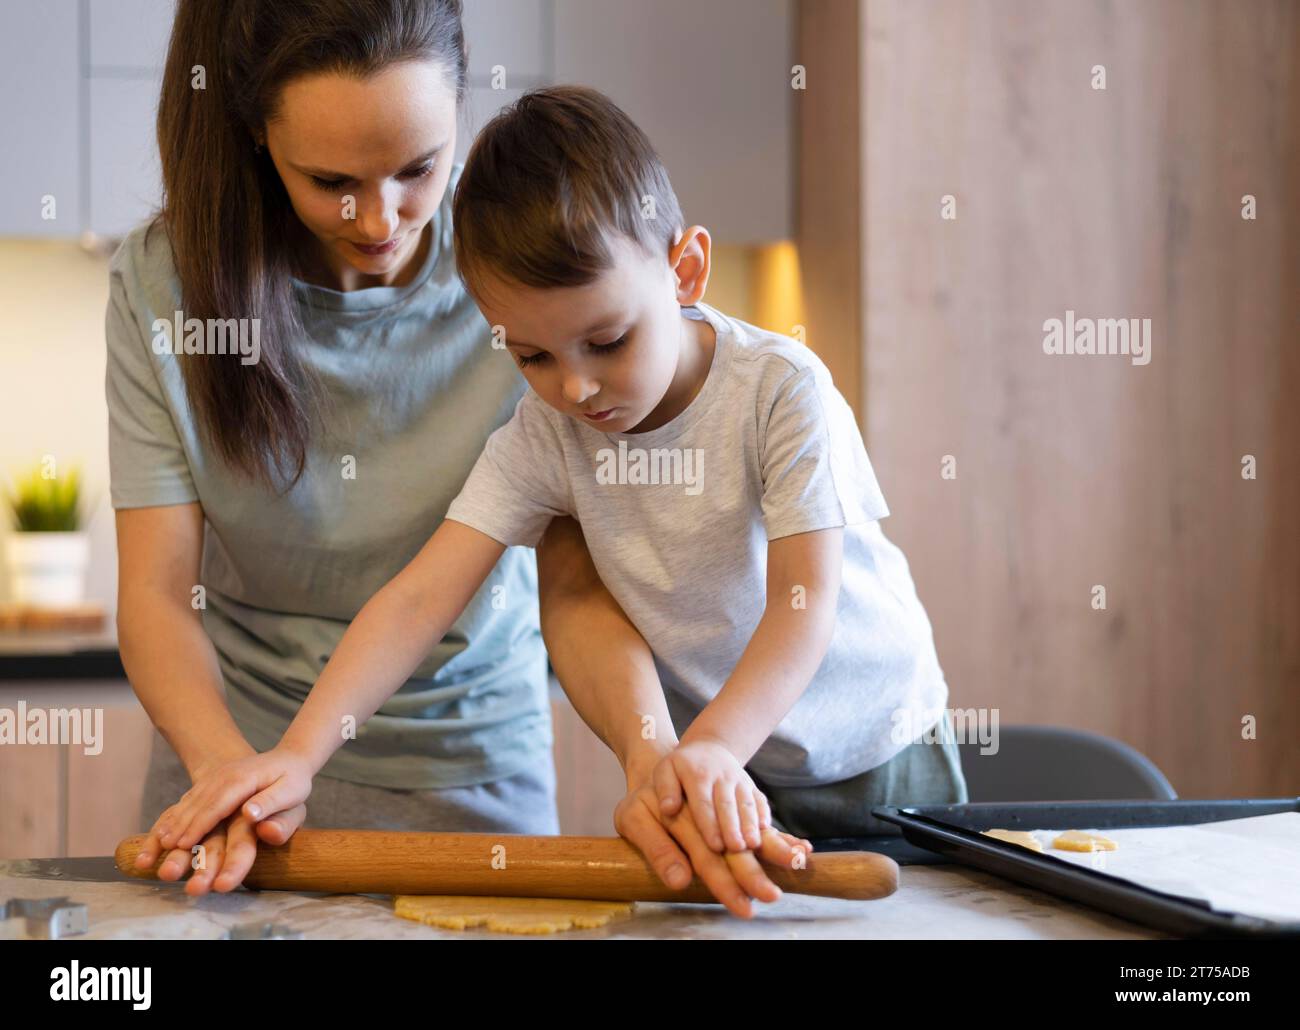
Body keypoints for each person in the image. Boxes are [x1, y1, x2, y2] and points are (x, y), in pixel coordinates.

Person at [141, 85, 968, 916]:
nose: (575, 387)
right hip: (727, 768)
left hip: (879, 748)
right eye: (532, 356)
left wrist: (713, 744)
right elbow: (419, 598)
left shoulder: (780, 391)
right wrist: (298, 755)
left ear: (684, 270)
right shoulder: (547, 436)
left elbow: (805, 599)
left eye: (607, 341)